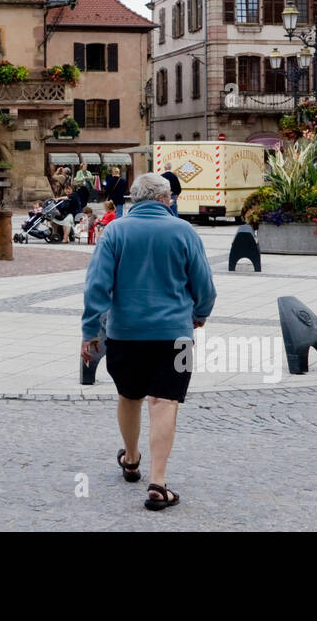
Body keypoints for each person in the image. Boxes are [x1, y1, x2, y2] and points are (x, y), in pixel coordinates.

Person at [81, 173, 216, 511]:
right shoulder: (184, 232)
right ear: (165, 199)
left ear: (134, 199)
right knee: (165, 402)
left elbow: (97, 287)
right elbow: (205, 285)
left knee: (129, 396)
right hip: (175, 335)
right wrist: (199, 314)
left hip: (125, 334)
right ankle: (158, 481)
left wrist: (90, 333)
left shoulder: (114, 231)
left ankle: (130, 459)